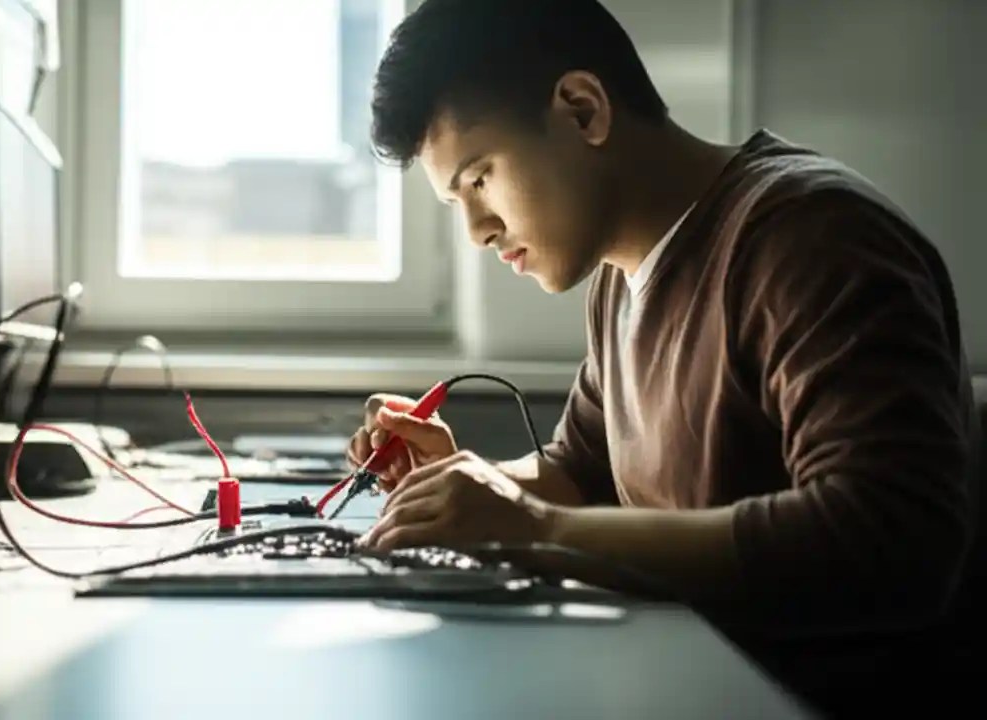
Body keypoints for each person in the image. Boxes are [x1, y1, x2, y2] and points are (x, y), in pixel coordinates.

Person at [347, 0, 982, 713]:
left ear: (582, 110)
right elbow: (581, 477)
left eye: (480, 178)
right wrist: (464, 487)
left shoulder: (813, 239)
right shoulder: (623, 277)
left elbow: (893, 544)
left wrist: (532, 528)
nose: (477, 231)